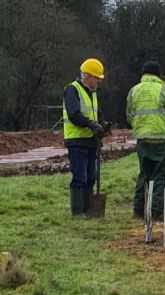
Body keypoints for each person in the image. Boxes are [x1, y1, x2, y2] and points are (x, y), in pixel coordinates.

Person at [126, 61, 165, 219]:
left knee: (144, 173)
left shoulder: (133, 91)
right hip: (160, 140)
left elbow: (129, 116)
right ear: (158, 75)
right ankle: (156, 211)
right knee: (160, 175)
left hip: (142, 140)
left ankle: (138, 209)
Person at [63, 58, 108, 218]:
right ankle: (77, 211)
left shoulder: (92, 93)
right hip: (76, 141)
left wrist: (102, 124)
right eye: (96, 78)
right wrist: (92, 125)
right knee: (79, 176)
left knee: (90, 176)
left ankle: (88, 209)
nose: (98, 82)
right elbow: (74, 114)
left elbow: (97, 113)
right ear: (87, 76)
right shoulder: (72, 90)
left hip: (90, 141)